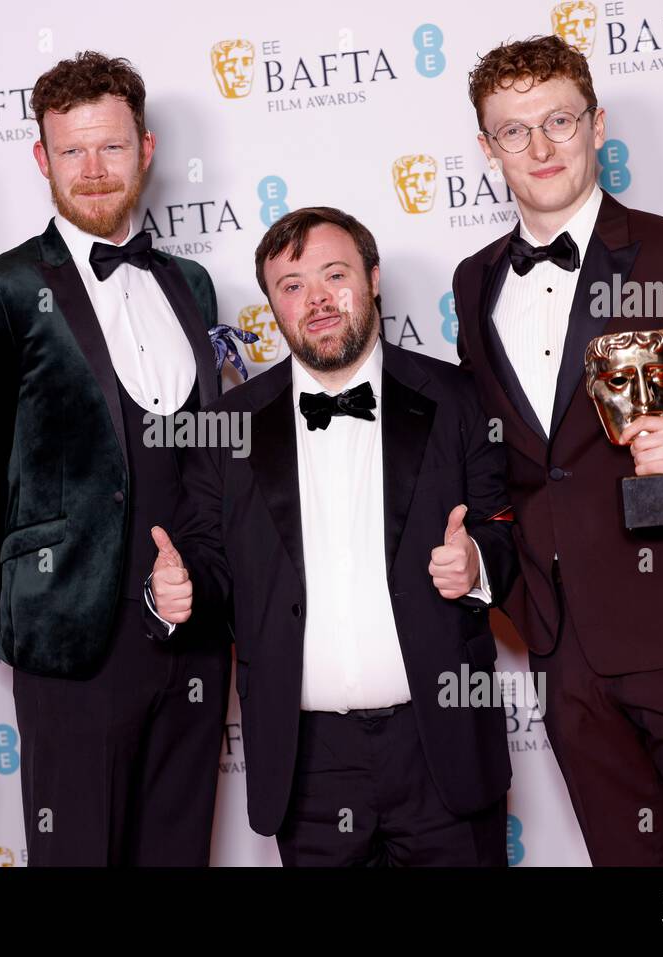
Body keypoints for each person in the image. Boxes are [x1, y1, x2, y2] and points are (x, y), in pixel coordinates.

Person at [453, 35, 663, 865]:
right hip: (565, 649)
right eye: (513, 130)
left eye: (559, 120)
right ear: (486, 148)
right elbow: (508, 460)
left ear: (597, 124)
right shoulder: (474, 280)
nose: (540, 147)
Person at [148, 207, 518, 866]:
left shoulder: (456, 396)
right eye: (291, 285)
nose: (316, 299)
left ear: (373, 279)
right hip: (307, 766)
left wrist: (478, 562)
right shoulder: (227, 425)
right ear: (273, 306)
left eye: (334, 274)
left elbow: (503, 526)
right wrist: (175, 590)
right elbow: (206, 557)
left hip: (442, 748)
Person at [0, 52, 229, 866]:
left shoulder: (193, 285)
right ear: (42, 159)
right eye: (72, 151)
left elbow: (209, 454)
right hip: (72, 640)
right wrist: (17, 618)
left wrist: (205, 583)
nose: (94, 171)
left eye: (111, 147)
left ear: (147, 147)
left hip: (193, 627)